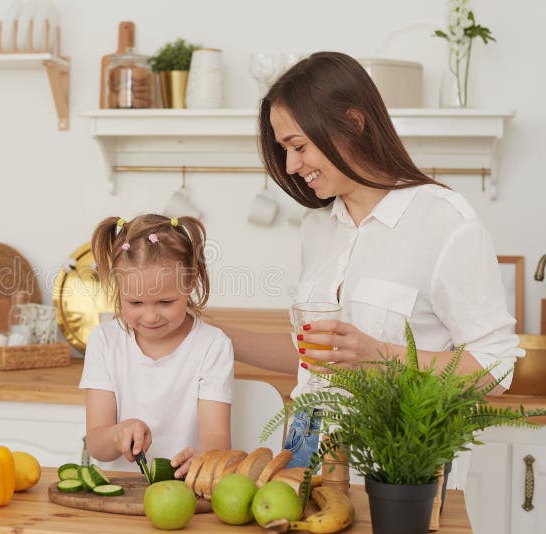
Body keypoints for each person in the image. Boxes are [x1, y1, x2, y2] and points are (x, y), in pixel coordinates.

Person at [222, 51, 522, 468]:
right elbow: (311, 357)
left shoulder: (445, 221)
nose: (290, 166)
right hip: (304, 454)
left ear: (354, 123)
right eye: (284, 150)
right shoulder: (318, 227)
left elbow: (493, 365)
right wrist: (210, 330)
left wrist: (380, 354)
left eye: (299, 146)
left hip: (396, 463)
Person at [80, 214, 233, 476]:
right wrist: (117, 434)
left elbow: (217, 438)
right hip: (120, 488)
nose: (150, 317)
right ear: (119, 289)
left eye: (165, 302)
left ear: (190, 283)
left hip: (186, 488)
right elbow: (96, 444)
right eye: (135, 303)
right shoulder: (105, 340)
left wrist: (205, 457)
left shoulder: (213, 345)